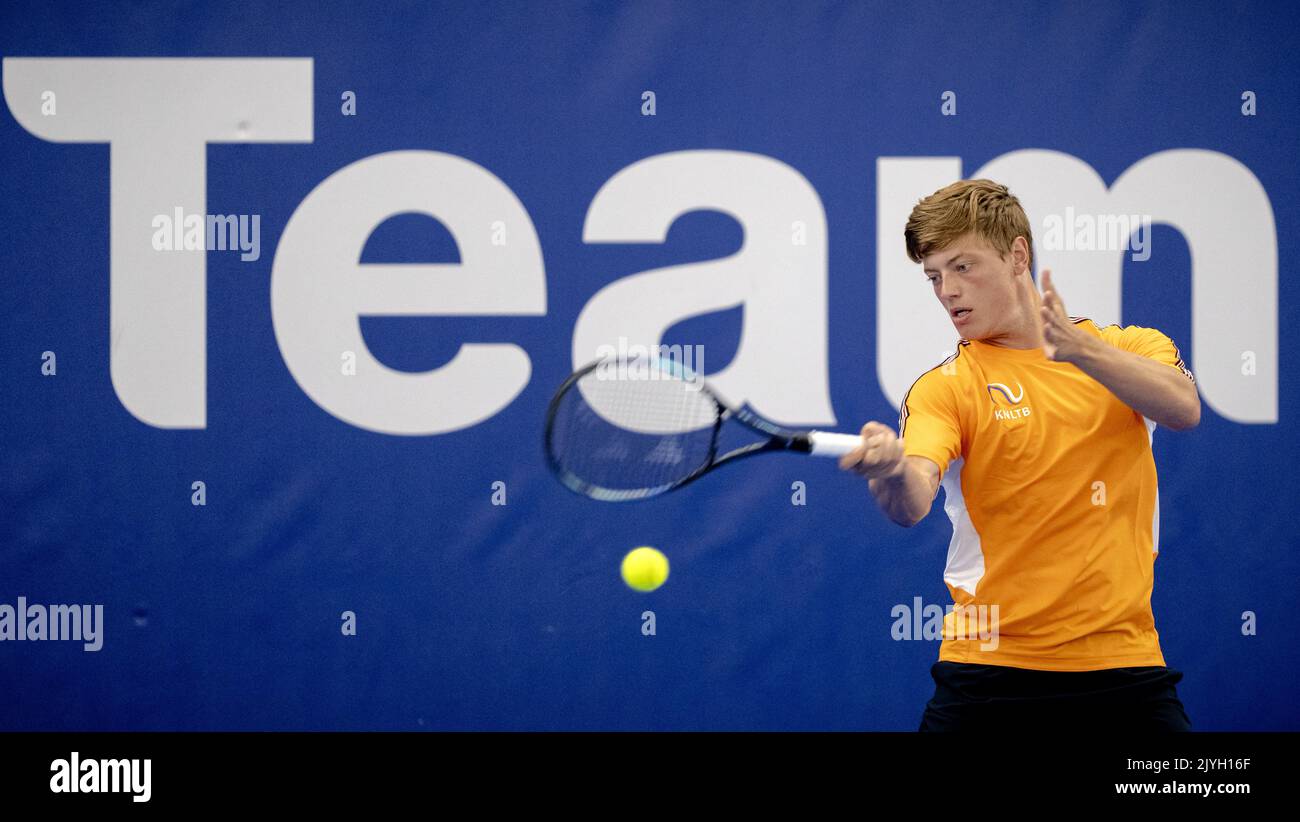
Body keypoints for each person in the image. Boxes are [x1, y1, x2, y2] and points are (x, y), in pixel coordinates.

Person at [840, 179, 1198, 731]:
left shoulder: (1129, 347)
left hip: (1125, 670)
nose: (947, 291)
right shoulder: (946, 387)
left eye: (963, 267)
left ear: (1018, 256)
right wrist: (888, 471)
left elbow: (1183, 407)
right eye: (934, 276)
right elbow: (912, 499)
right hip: (988, 681)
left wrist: (1080, 351)